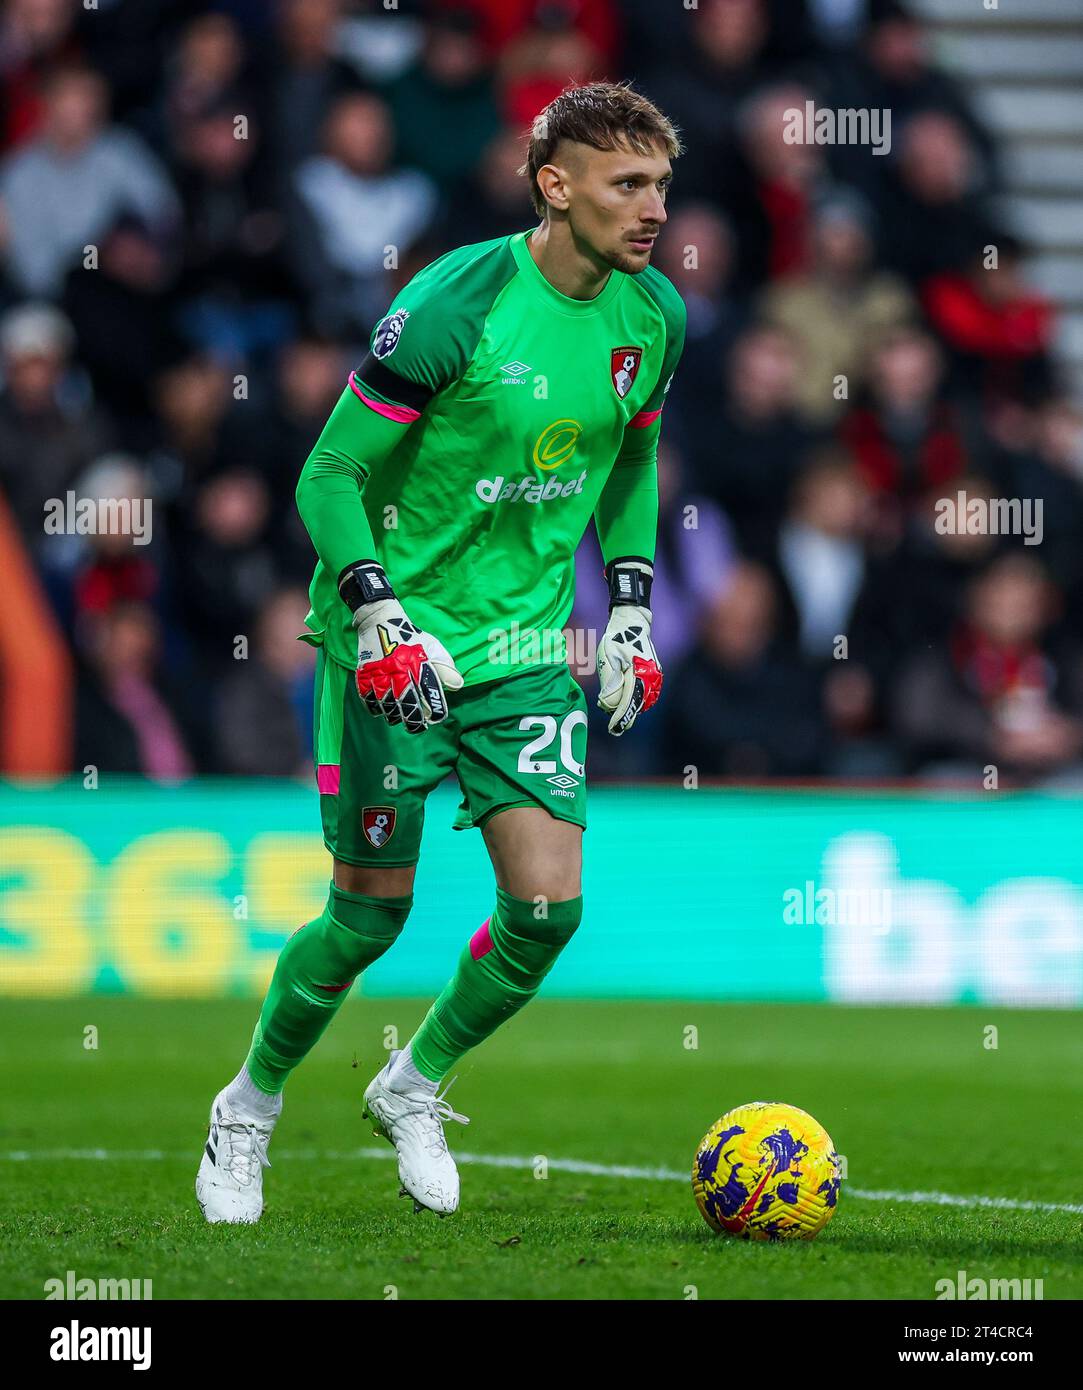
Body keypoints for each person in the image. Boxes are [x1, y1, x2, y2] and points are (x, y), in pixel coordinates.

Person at [196, 81, 686, 1223]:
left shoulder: (652, 315)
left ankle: (412, 1084)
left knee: (548, 910)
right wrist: (374, 608)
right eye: (628, 184)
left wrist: (628, 603)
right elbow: (328, 474)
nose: (653, 207)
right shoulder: (453, 305)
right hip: (398, 641)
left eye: (661, 184)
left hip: (521, 644)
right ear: (555, 187)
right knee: (370, 913)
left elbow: (630, 462)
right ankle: (248, 1106)